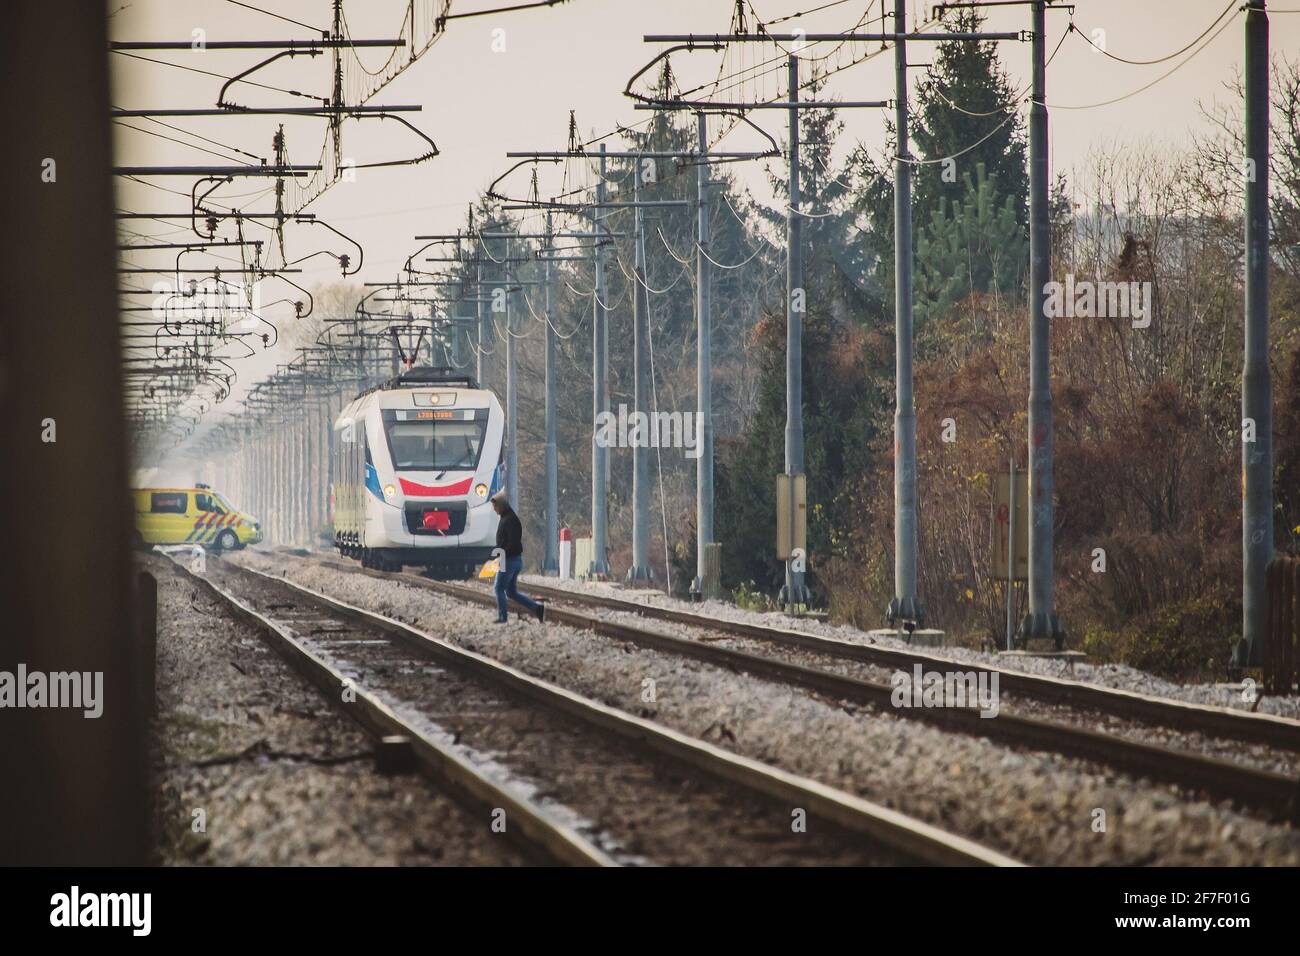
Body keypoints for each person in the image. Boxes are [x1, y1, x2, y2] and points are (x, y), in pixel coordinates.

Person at [489, 491, 545, 624]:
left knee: (498, 588)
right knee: (511, 592)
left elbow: (512, 543)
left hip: (509, 560)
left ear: (501, 505)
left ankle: (503, 618)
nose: (494, 509)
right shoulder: (507, 517)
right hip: (512, 559)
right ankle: (537, 608)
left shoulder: (510, 520)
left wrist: (500, 553)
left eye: (495, 507)